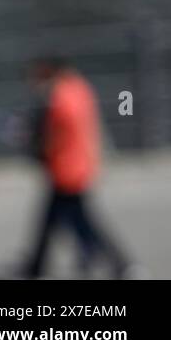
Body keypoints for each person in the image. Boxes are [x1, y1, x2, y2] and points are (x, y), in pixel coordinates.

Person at [21, 57, 131, 278]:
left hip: (67, 170)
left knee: (82, 222)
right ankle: (36, 266)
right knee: (54, 220)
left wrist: (35, 144)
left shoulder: (60, 98)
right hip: (77, 166)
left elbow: (54, 136)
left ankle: (121, 264)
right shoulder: (79, 88)